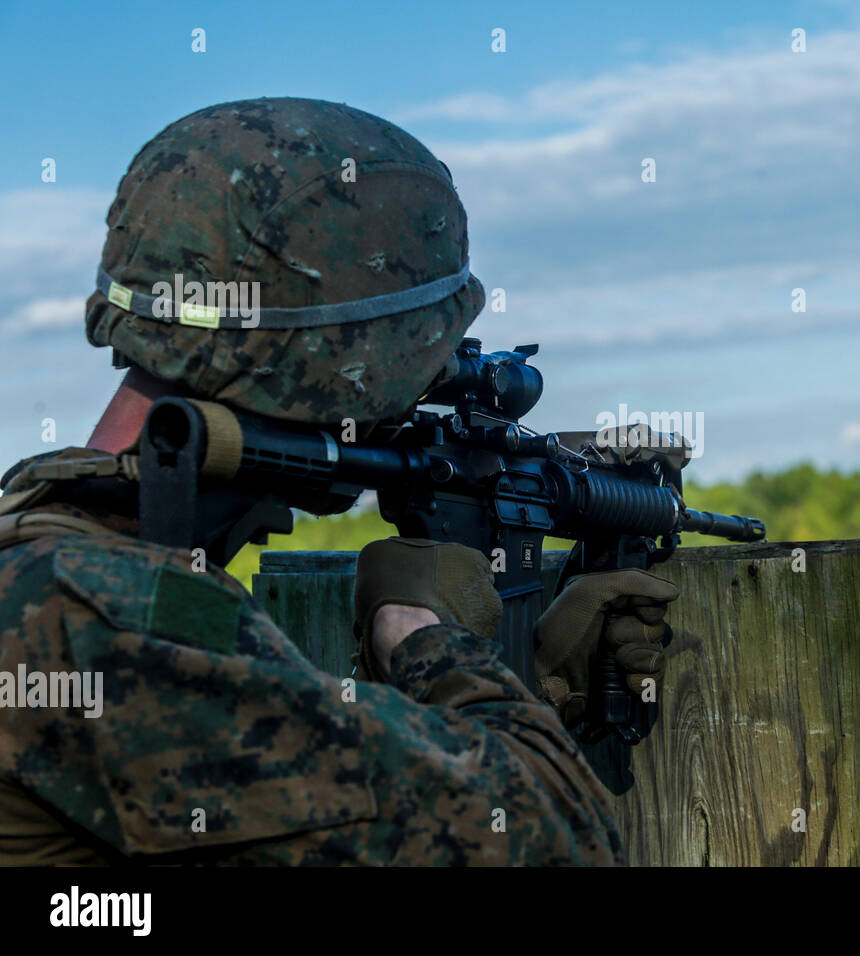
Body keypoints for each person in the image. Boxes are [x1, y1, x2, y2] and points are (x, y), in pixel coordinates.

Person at [0, 97, 678, 865]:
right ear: (343, 373)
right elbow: (552, 842)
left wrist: (527, 691)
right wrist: (423, 636)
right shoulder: (104, 613)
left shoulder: (39, 552)